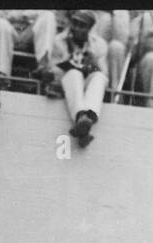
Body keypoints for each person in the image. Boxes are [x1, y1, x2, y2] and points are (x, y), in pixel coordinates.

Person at [47, 9, 108, 147]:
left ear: (89, 28)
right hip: (66, 83)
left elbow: (105, 76)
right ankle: (82, 118)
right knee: (75, 73)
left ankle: (86, 121)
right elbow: (53, 70)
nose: (76, 28)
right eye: (74, 23)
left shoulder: (99, 45)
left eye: (82, 25)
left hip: (87, 86)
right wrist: (69, 61)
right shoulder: (59, 40)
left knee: (99, 77)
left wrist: (93, 63)